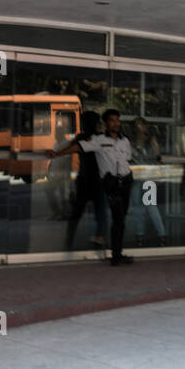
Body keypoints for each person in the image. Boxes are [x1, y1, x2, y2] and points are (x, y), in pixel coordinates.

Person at [53, 109, 134, 266]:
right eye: (112, 120)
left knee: (119, 218)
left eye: (117, 120)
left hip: (125, 181)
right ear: (105, 123)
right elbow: (78, 147)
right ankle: (115, 255)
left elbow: (127, 160)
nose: (116, 123)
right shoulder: (97, 140)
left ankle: (115, 250)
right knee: (115, 217)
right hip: (107, 182)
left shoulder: (125, 141)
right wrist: (57, 154)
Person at [52, 111, 107, 252]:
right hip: (97, 180)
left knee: (76, 214)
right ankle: (100, 238)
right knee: (100, 212)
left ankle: (68, 242)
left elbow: (68, 149)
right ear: (96, 124)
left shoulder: (80, 137)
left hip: (83, 180)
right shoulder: (100, 138)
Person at [128, 118, 166, 247]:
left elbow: (158, 157)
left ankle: (162, 235)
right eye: (136, 126)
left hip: (148, 177)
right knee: (138, 209)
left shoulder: (151, 141)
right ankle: (140, 235)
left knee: (151, 207)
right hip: (135, 178)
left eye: (141, 125)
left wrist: (157, 172)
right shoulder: (130, 142)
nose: (139, 128)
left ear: (145, 127)